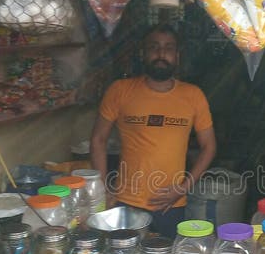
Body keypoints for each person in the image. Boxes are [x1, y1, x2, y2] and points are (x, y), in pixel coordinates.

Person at [90, 23, 216, 239]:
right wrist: (102, 189)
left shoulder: (193, 95)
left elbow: (209, 147)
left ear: (177, 55)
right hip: (125, 201)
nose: (161, 54)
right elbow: (98, 140)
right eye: (154, 47)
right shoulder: (120, 90)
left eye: (168, 48)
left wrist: (183, 188)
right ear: (143, 53)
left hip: (171, 203)